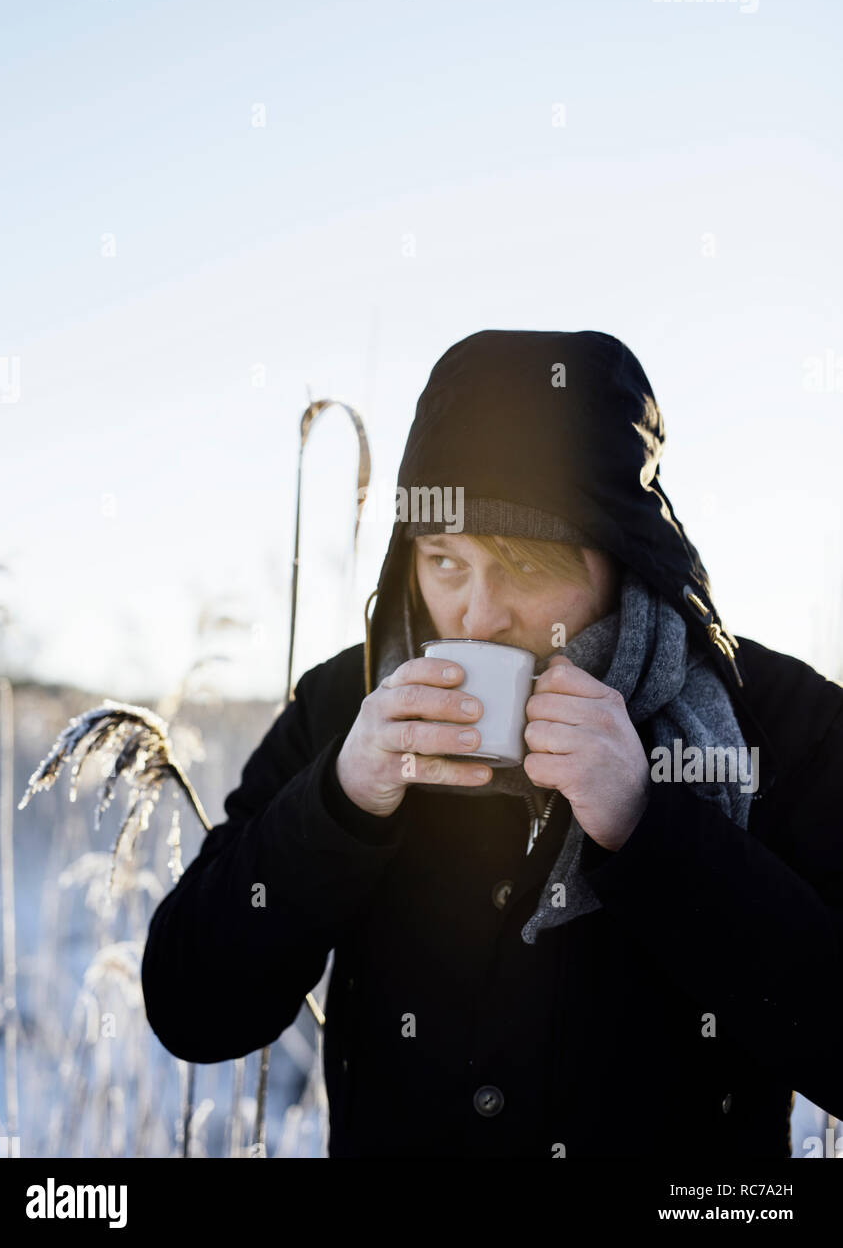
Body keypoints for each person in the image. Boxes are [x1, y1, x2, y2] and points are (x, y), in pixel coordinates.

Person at [141, 328, 843, 1158]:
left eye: (522, 562)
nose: (476, 616)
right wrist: (339, 805)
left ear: (625, 557)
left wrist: (649, 830)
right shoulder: (348, 702)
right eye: (444, 562)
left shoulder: (768, 717)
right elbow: (193, 1010)